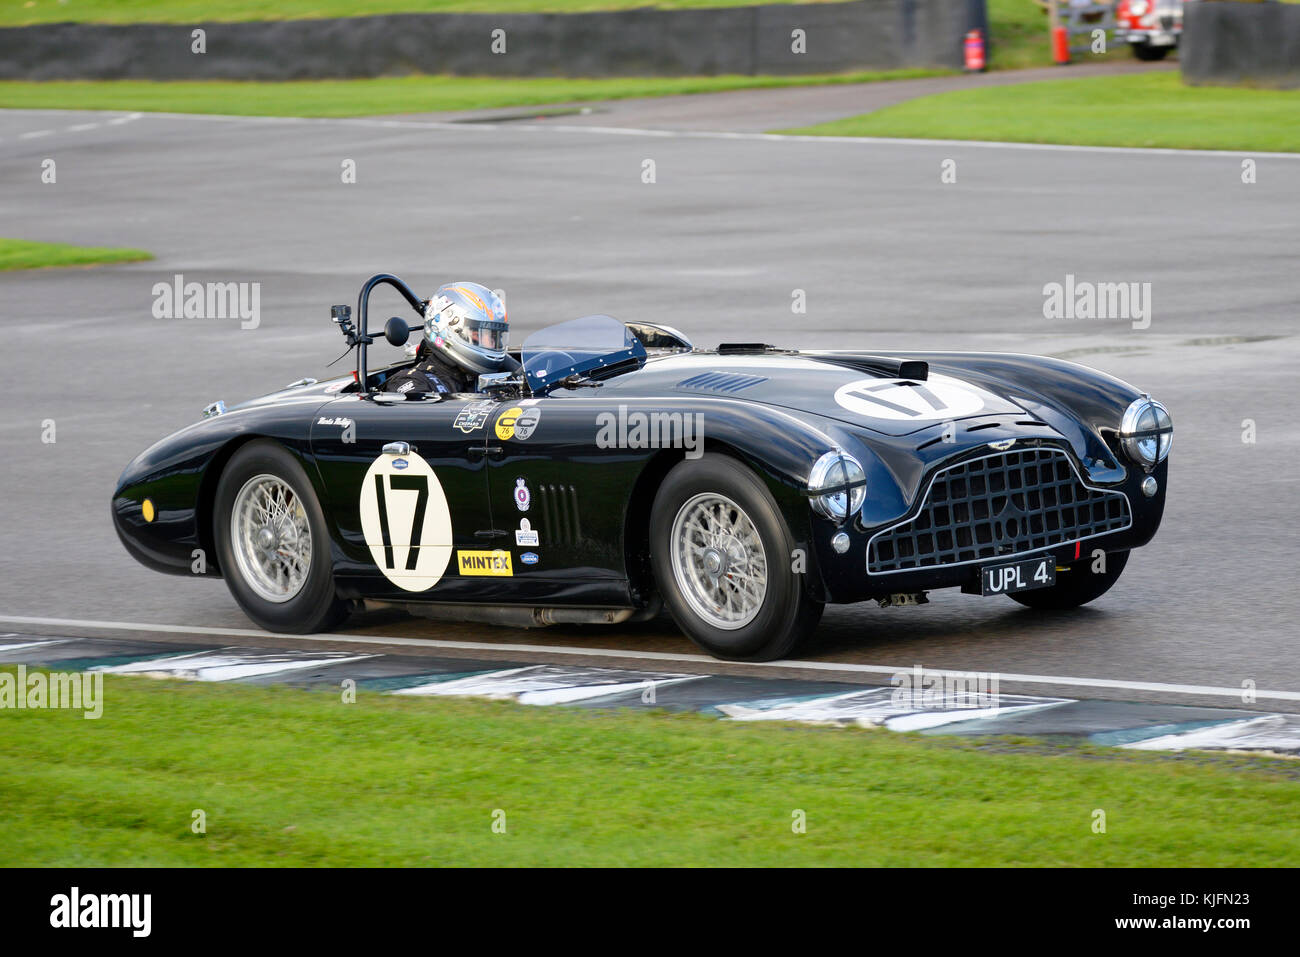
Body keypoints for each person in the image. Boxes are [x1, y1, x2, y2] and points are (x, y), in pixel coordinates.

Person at [384, 281, 509, 395]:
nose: (490, 343)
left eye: (494, 337)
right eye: (478, 335)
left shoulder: (500, 377)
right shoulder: (414, 382)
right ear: (447, 329)